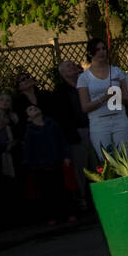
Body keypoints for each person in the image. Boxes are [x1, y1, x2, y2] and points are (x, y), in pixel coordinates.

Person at [22, 103, 76, 226]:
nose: (34, 109)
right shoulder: (30, 131)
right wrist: (31, 164)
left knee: (62, 189)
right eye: (30, 109)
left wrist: (66, 155)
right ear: (29, 117)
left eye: (35, 107)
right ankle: (52, 216)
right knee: (47, 192)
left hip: (56, 161)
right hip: (41, 166)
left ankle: (69, 213)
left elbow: (61, 140)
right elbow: (29, 149)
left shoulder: (52, 124)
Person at [49, 60, 93, 211]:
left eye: (73, 65)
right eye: (68, 66)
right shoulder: (61, 91)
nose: (72, 67)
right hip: (76, 133)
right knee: (80, 168)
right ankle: (82, 199)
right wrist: (71, 135)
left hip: (93, 127)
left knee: (96, 164)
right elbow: (62, 116)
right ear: (62, 72)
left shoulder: (85, 84)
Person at [77, 39, 128, 162]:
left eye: (104, 49)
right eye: (97, 50)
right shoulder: (84, 78)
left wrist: (117, 96)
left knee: (125, 157)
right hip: (99, 123)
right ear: (90, 53)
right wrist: (104, 97)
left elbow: (127, 98)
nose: (102, 52)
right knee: (106, 159)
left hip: (119, 118)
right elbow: (85, 107)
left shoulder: (116, 71)